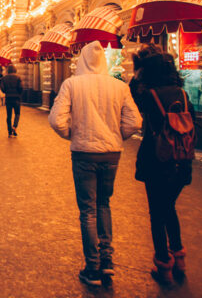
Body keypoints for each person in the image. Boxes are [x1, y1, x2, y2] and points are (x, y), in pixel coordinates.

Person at [49, 41, 142, 287]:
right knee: (104, 204)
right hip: (111, 154)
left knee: (87, 210)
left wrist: (72, 134)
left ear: (82, 60)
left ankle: (92, 267)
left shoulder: (72, 84)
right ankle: (107, 260)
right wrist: (117, 136)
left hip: (84, 154)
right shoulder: (119, 86)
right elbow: (135, 121)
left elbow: (56, 120)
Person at [133, 51, 194, 285]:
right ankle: (179, 258)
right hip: (182, 162)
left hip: (157, 163)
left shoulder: (150, 96)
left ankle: (164, 266)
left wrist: (137, 74)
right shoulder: (183, 94)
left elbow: (133, 100)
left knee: (157, 215)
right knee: (169, 208)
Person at [0, 65, 24, 137]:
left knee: (9, 115)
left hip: (8, 98)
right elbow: (21, 87)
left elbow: (2, 88)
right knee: (17, 113)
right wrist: (19, 94)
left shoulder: (4, 78)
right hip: (17, 98)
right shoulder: (18, 77)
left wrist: (6, 92)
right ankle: (14, 126)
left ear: (8, 70)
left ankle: (9, 132)